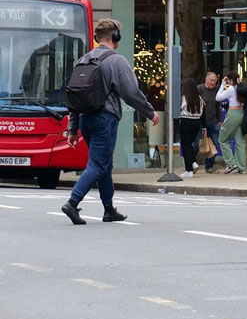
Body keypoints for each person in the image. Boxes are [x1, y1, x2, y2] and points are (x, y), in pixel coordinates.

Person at [60, 19, 159, 225]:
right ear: (116, 37)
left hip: (86, 119)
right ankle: (72, 202)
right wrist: (150, 112)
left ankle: (108, 209)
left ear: (97, 38)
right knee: (98, 163)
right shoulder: (117, 61)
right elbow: (131, 92)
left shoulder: (83, 60)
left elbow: (75, 98)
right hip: (105, 118)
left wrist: (73, 129)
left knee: (104, 163)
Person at [216, 71, 247, 174]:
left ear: (229, 80)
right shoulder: (241, 87)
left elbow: (218, 97)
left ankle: (231, 163)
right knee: (240, 141)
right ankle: (242, 167)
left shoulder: (231, 88)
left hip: (233, 113)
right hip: (241, 112)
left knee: (223, 139)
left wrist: (223, 84)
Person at [177, 79, 204, 178]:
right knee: (189, 145)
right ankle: (193, 162)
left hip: (186, 120)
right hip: (196, 122)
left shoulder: (184, 97)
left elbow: (179, 108)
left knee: (185, 145)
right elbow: (202, 112)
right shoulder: (199, 98)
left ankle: (189, 169)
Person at [199, 70, 222, 172]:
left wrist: (219, 120)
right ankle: (192, 164)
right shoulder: (200, 89)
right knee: (196, 144)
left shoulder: (216, 91)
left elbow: (218, 107)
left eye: (215, 81)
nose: (213, 83)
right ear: (206, 80)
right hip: (200, 122)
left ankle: (209, 166)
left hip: (213, 121)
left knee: (215, 143)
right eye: (211, 80)